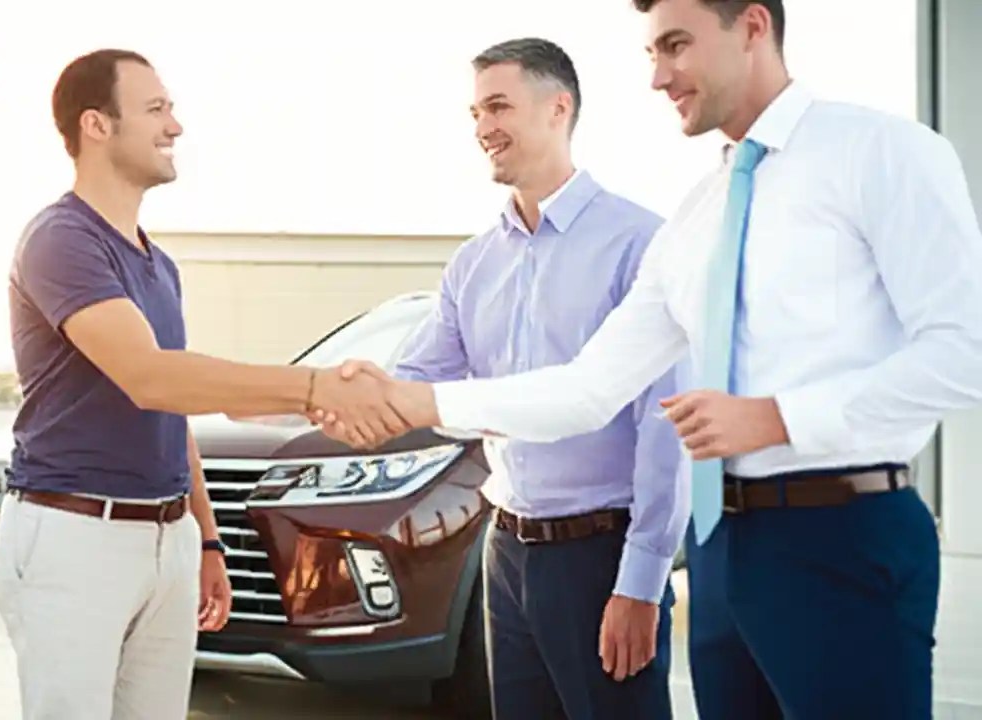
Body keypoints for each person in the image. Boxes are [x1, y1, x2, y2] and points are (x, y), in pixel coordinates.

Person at [322, 1, 982, 718]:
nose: (659, 77)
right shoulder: (700, 213)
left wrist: (778, 418)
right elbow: (587, 389)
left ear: (753, 27)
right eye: (651, 54)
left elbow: (962, 349)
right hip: (722, 553)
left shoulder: (881, 150)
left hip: (842, 533)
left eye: (676, 46)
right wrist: (418, 402)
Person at [0, 49, 405, 720]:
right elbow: (150, 378)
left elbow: (172, 412)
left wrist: (204, 538)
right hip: (73, 540)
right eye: (156, 109)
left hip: (166, 541)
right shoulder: (59, 240)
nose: (175, 126)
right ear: (97, 125)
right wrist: (314, 387)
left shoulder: (160, 266)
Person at [389, 37, 683, 719]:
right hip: (506, 552)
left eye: (498, 106)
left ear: (559, 108)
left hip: (599, 556)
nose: (483, 128)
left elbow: (664, 424)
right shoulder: (472, 263)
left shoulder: (640, 244)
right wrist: (327, 395)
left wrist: (641, 582)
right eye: (474, 113)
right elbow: (414, 383)